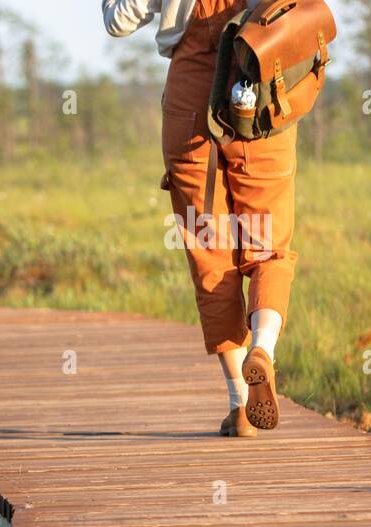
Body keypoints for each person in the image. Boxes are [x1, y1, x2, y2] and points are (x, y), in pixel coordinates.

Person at [103, 0, 293, 436]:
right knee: (269, 242)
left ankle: (240, 406)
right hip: (260, 80)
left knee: (210, 250)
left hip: (191, 97)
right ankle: (262, 348)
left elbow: (117, 21)